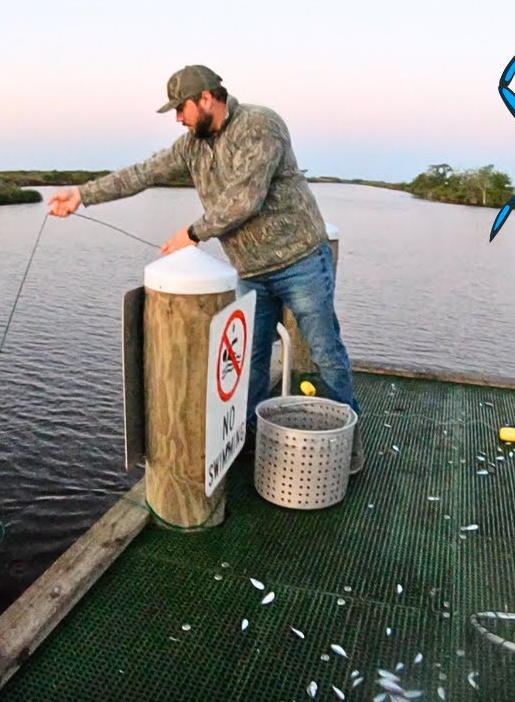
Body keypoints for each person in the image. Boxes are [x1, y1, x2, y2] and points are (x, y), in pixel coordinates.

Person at [46, 65, 365, 473]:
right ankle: (250, 443)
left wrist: (193, 234)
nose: (178, 118)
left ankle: (350, 443)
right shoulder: (191, 146)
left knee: (325, 351)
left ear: (207, 98)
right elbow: (143, 173)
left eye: (181, 108)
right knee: (247, 364)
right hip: (251, 272)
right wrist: (82, 195)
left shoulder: (260, 125)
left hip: (300, 261)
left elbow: (244, 199)